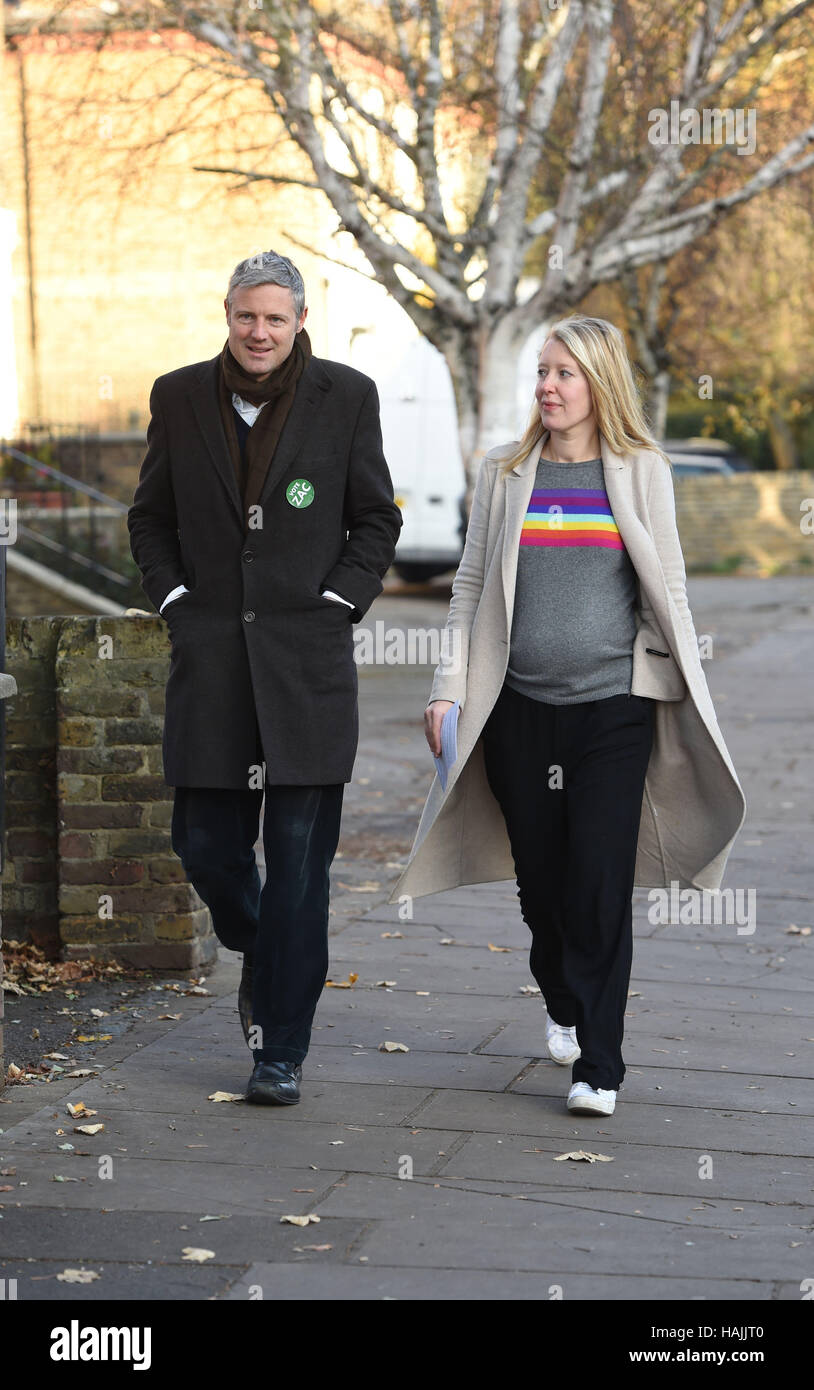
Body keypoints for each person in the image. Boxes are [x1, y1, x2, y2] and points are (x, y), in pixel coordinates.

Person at [389, 314, 746, 1118]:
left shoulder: (642, 469)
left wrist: (686, 680)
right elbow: (471, 588)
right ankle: (561, 993)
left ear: (599, 384)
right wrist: (448, 688)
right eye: (543, 372)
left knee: (598, 879)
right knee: (543, 886)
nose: (548, 386)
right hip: (517, 711)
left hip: (614, 710)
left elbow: (671, 586)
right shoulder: (505, 472)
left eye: (564, 373)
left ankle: (601, 1065)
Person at [128, 250, 401, 1106]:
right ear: (228, 313)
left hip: (305, 672)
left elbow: (375, 517)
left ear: (299, 321)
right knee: (204, 847)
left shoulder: (347, 396)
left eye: (276, 318)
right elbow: (150, 516)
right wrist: (175, 598)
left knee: (299, 871)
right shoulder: (177, 395)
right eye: (247, 315)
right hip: (210, 668)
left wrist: (338, 603)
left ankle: (278, 1051)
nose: (260, 332)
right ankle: (263, 949)